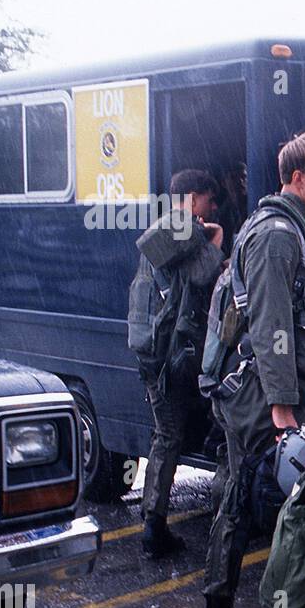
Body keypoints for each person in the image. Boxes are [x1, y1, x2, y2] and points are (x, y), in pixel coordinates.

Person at [200, 132, 305, 608]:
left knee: (241, 501)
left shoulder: (279, 227)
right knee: (300, 504)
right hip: (265, 395)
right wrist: (283, 406)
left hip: (254, 392)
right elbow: (271, 326)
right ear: (297, 179)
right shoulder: (280, 235)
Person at [128, 169, 224, 558]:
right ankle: (155, 526)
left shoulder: (167, 234)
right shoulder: (183, 232)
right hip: (172, 355)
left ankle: (155, 522)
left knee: (166, 436)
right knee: (174, 436)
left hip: (153, 353)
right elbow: (204, 275)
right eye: (209, 199)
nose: (213, 206)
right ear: (192, 198)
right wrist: (215, 239)